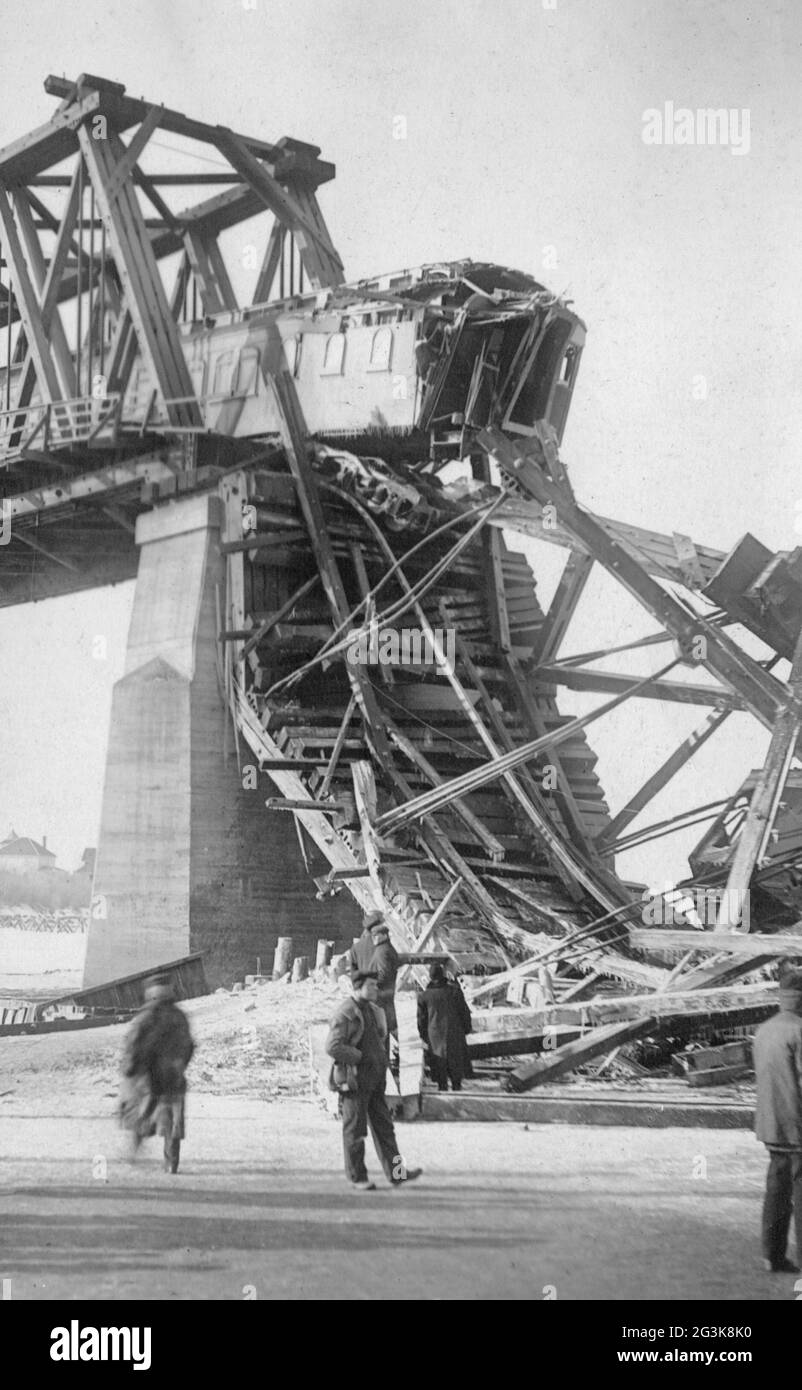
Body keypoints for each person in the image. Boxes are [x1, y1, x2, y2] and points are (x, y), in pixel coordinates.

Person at [326, 968, 422, 1193]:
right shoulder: (345, 1013)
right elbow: (332, 1046)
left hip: (376, 1080)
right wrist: (359, 1057)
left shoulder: (375, 1010)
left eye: (376, 985)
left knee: (386, 1130)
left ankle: (398, 1174)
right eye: (371, 985)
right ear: (357, 988)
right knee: (355, 1132)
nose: (376, 989)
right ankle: (357, 1178)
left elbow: (379, 1038)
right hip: (355, 1082)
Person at [119, 974, 195, 1174]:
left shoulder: (145, 1017)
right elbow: (189, 1045)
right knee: (173, 1121)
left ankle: (134, 1150)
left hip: (147, 1078)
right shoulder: (179, 1016)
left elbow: (132, 1045)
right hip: (173, 1076)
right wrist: (180, 1066)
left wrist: (130, 1069)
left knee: (142, 1113)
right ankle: (171, 1164)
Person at [753, 966, 802, 1273]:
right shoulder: (800, 1030)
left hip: (771, 1124)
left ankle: (772, 1255)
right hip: (798, 1125)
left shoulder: (764, 1029)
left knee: (777, 1190)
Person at [417, 963, 473, 1091]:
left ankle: (442, 1092)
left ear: (430, 977)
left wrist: (424, 1037)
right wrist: (466, 1029)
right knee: (456, 1069)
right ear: (442, 975)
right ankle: (456, 1091)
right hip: (455, 1033)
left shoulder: (424, 996)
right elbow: (464, 1012)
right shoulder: (454, 991)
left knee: (440, 1070)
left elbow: (421, 1020)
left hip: (434, 1037)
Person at [348, 909, 400, 1043]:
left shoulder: (356, 948)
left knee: (368, 1032)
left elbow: (353, 975)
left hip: (365, 996)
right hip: (384, 995)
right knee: (385, 1030)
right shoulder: (384, 945)